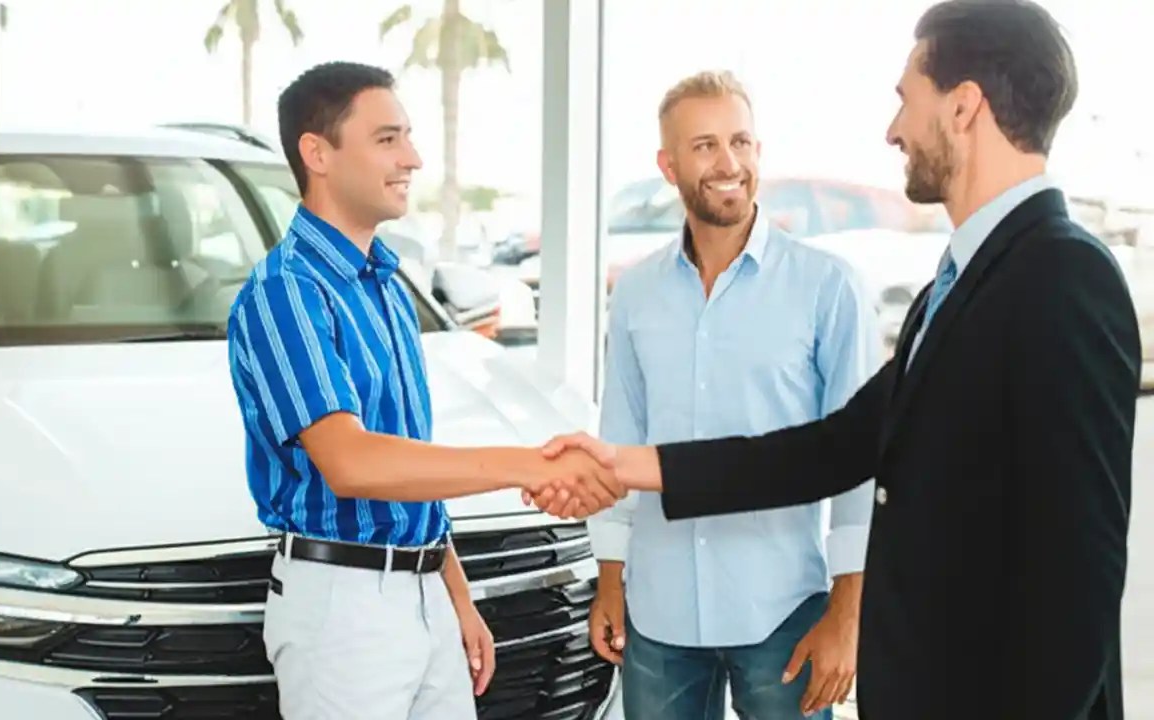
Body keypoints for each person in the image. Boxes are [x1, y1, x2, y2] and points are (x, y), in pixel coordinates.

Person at [533, 2, 1142, 719]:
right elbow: (830, 450)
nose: (893, 130)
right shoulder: (960, 284)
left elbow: (1079, 582)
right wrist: (621, 465)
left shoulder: (1062, 275)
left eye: (904, 100)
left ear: (964, 107)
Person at [226, 61, 621, 720]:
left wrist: (455, 597)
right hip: (342, 613)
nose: (412, 157)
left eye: (408, 135)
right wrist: (529, 464)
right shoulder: (286, 292)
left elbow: (409, 461)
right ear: (317, 152)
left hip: (424, 593)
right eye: (387, 138)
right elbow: (351, 463)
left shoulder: (385, 284)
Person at [584, 70, 877, 719]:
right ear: (668, 165)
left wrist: (848, 614)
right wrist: (610, 577)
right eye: (705, 146)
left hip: (783, 612)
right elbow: (619, 439)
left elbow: (861, 461)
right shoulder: (635, 294)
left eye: (741, 143)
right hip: (658, 616)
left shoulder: (828, 287)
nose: (729, 163)